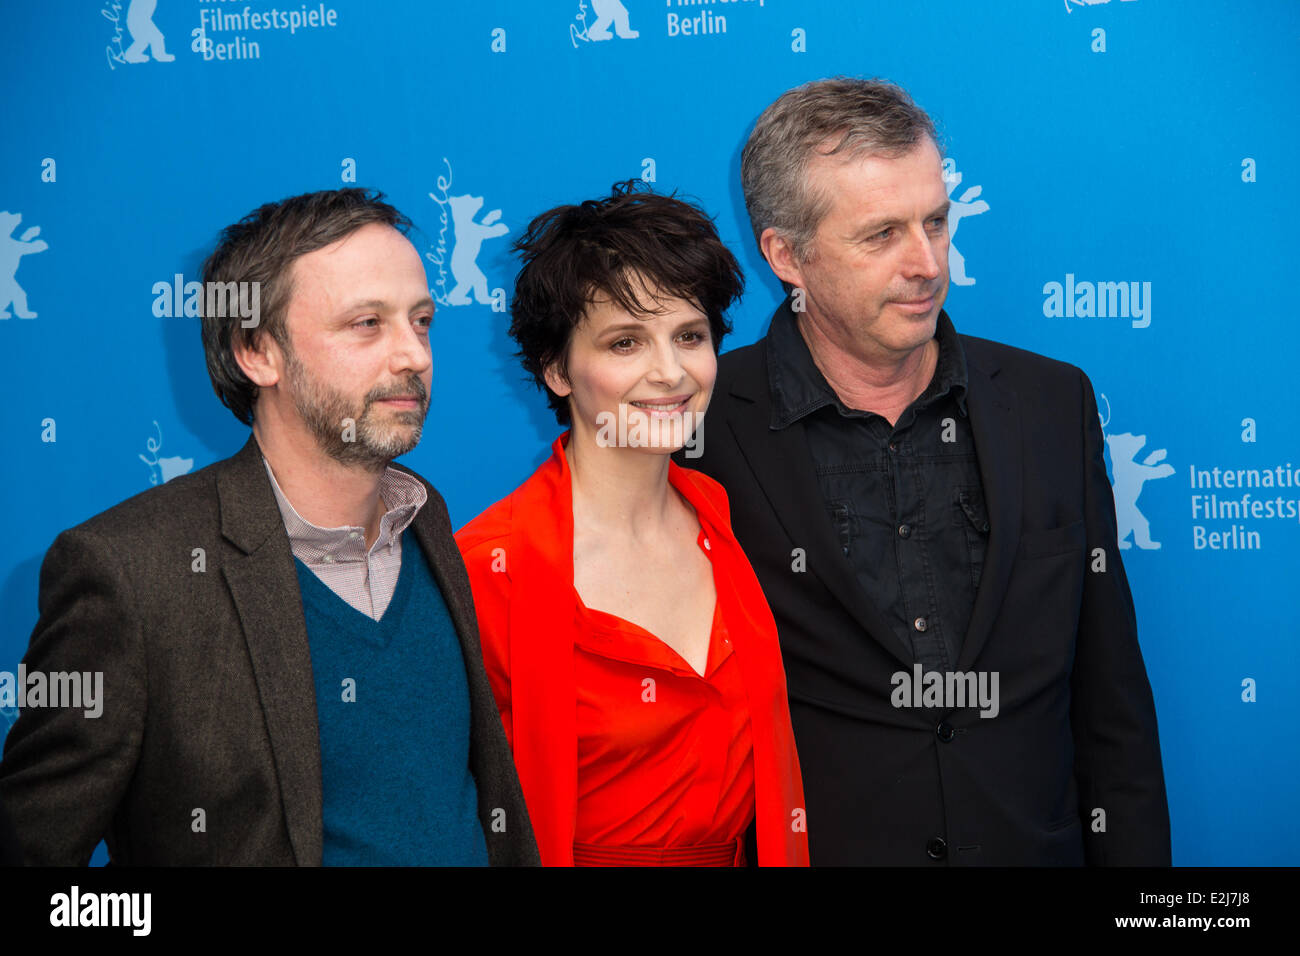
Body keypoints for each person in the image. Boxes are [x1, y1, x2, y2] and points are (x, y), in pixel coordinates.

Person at [679, 78, 1171, 865]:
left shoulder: (1052, 404)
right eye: (880, 235)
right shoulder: (701, 424)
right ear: (784, 255)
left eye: (936, 222)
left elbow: (1112, 704)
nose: (927, 263)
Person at [0, 188, 538, 866]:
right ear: (256, 351)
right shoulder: (130, 573)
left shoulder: (424, 516)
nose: (415, 355)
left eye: (422, 321)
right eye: (367, 324)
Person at [456, 182, 809, 867]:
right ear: (557, 369)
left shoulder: (722, 517)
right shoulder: (490, 565)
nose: (670, 372)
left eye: (689, 336)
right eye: (625, 343)